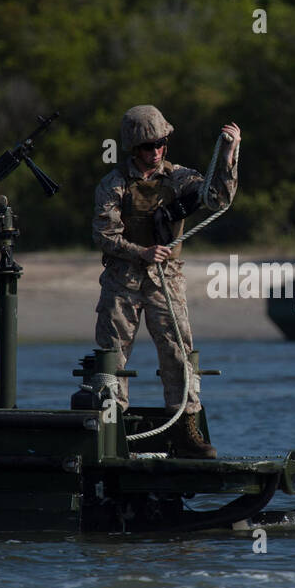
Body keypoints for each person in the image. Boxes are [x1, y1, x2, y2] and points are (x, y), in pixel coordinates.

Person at [92, 105, 240, 458]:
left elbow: (217, 198)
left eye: (160, 144)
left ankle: (187, 430)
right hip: (122, 279)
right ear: (133, 148)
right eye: (147, 147)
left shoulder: (179, 178)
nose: (155, 152)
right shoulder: (114, 185)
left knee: (178, 353)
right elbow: (104, 235)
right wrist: (140, 252)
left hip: (166, 279)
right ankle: (112, 433)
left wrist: (229, 156)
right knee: (113, 360)